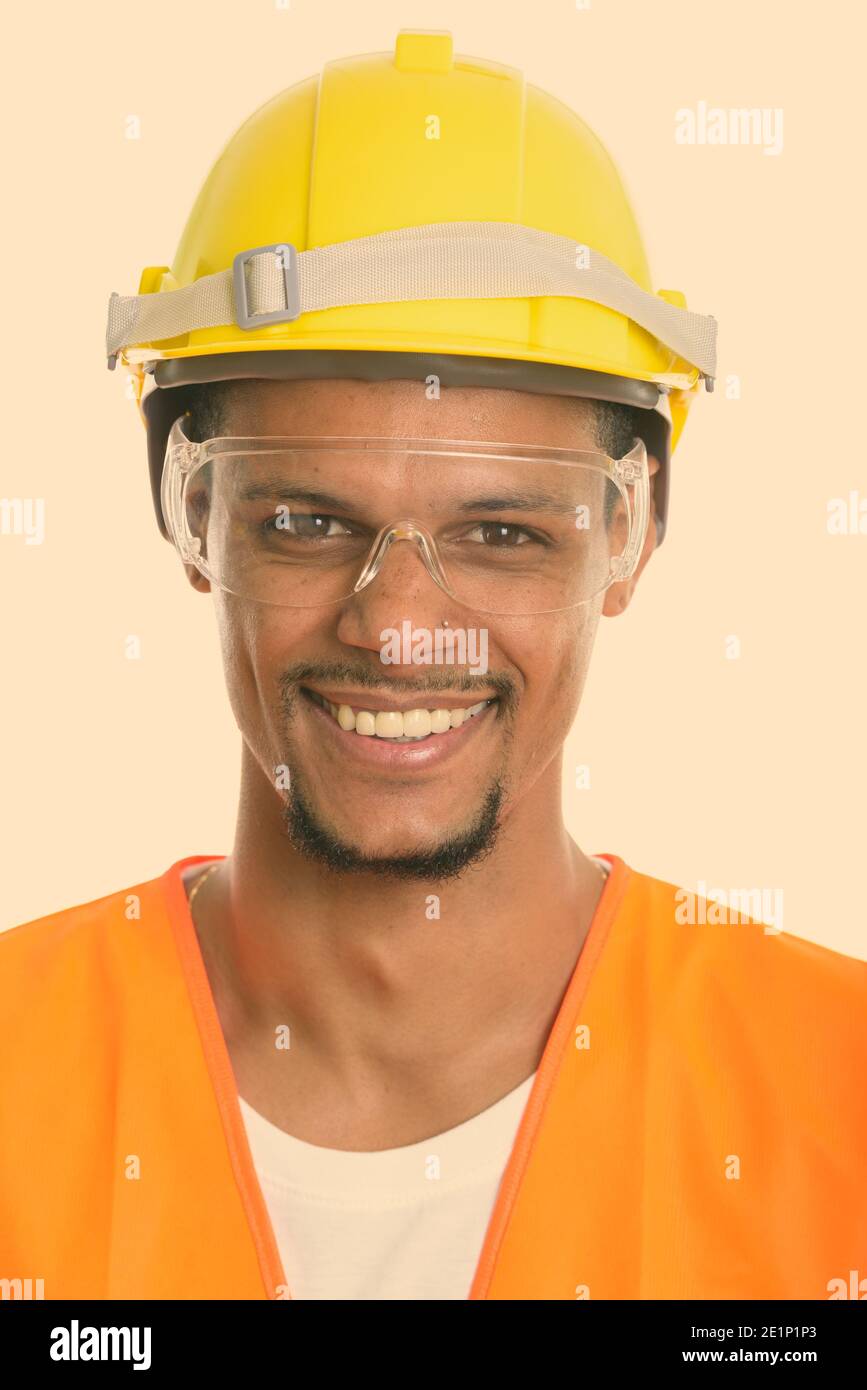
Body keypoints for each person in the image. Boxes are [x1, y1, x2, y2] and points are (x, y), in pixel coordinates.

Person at [1, 29, 864, 1302]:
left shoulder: (835, 1097)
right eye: (306, 521)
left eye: (503, 533)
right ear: (190, 518)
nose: (400, 626)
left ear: (630, 537)